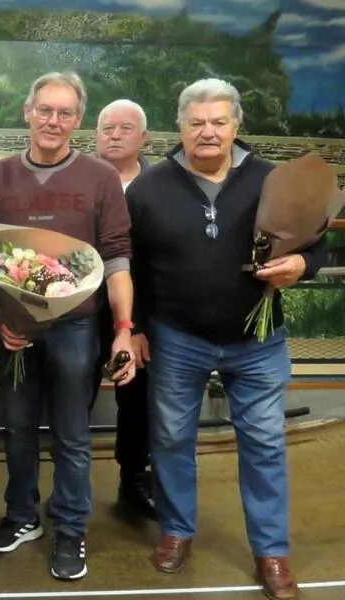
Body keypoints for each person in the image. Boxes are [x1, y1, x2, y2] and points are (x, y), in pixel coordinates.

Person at [127, 78, 326, 600]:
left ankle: (271, 551)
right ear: (180, 127)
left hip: (257, 341)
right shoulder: (147, 189)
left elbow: (318, 244)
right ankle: (176, 531)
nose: (208, 132)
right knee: (170, 440)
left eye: (218, 122)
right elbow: (136, 267)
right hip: (176, 337)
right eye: (197, 123)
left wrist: (303, 264)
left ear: (236, 125)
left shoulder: (274, 180)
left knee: (262, 444)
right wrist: (139, 327)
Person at [0, 71, 136, 582]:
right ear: (27, 112)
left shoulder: (100, 177)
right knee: (18, 428)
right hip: (14, 331)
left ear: (78, 120)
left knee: (72, 434)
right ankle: (22, 516)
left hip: (76, 329)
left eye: (65, 112)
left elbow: (116, 257)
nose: (53, 121)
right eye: (45, 109)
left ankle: (70, 528)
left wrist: (123, 327)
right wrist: (1, 317)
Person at [91, 99, 155, 519]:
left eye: (125, 128)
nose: (114, 135)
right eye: (106, 128)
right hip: (78, 310)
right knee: (71, 397)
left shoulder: (163, 185)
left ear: (144, 137)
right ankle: (68, 485)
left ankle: (134, 480)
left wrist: (137, 325)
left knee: (138, 401)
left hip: (139, 317)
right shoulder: (80, 178)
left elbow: (161, 263)